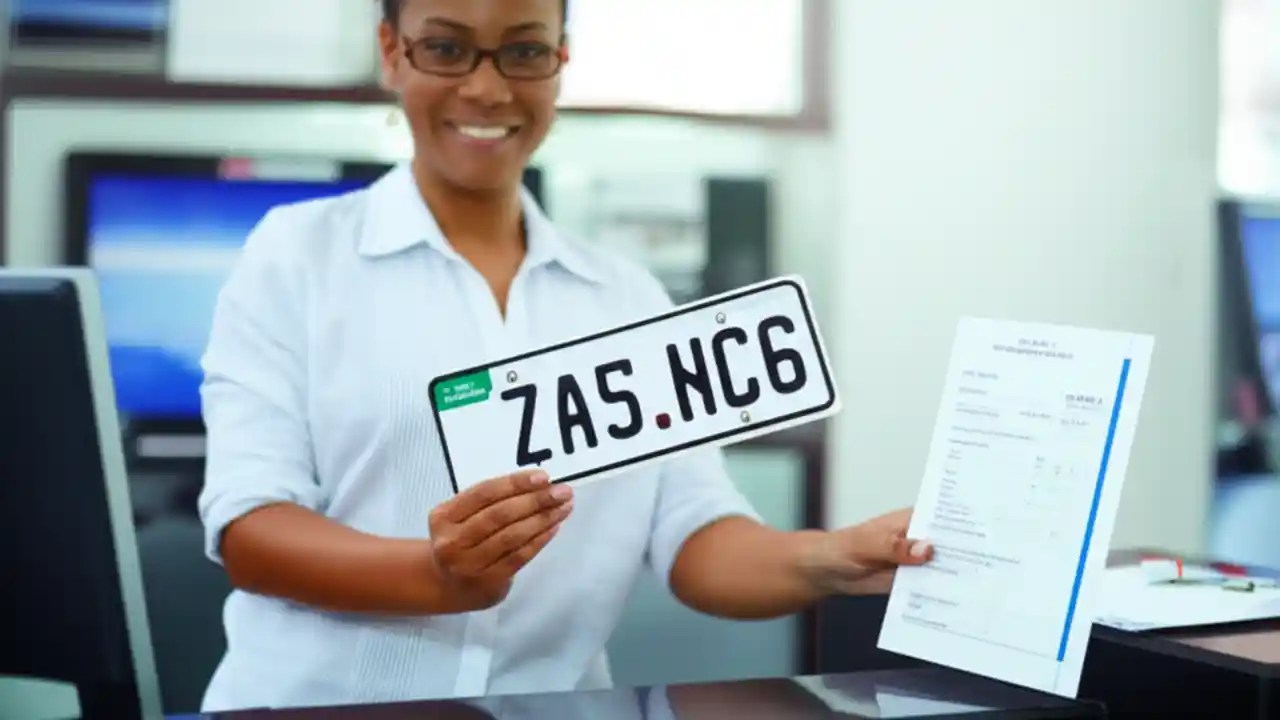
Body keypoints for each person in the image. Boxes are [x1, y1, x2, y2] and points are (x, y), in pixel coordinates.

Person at [196, 0, 933, 713]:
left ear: (560, 61)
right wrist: (434, 576)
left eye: (523, 50)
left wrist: (826, 559)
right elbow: (251, 529)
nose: (486, 88)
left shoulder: (626, 298)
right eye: (447, 48)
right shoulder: (295, 254)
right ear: (392, 52)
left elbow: (694, 535)